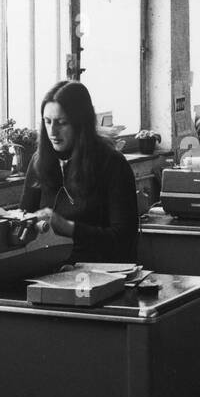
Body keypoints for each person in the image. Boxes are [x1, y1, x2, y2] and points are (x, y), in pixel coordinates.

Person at [21, 80, 139, 262]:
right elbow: (24, 217)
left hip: (99, 272)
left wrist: (68, 227)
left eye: (62, 122)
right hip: (47, 268)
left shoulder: (112, 163)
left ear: (81, 123)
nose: (53, 131)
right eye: (47, 121)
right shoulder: (38, 161)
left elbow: (124, 238)